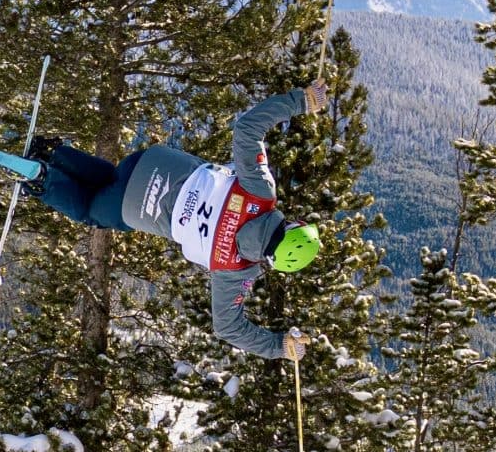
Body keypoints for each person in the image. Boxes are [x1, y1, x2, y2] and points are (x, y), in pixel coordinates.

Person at [22, 85, 328, 361]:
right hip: (136, 206)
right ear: (273, 261)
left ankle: (54, 153)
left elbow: (248, 129)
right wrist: (280, 346)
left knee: (111, 177)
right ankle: (42, 180)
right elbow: (228, 327)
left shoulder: (260, 193)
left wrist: (302, 101)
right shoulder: (236, 268)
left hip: (152, 161)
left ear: (291, 225)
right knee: (90, 209)